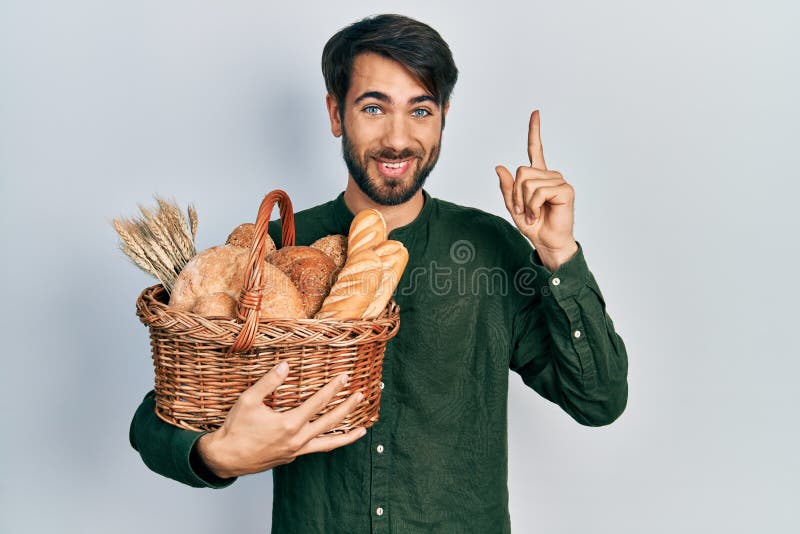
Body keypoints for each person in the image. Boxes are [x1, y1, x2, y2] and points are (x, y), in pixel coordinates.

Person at [129, 13, 629, 533]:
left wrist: (559, 254)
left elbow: (599, 400)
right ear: (334, 114)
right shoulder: (273, 252)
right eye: (374, 108)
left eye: (420, 110)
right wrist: (215, 455)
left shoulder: (489, 249)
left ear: (444, 117)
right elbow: (159, 417)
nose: (398, 138)